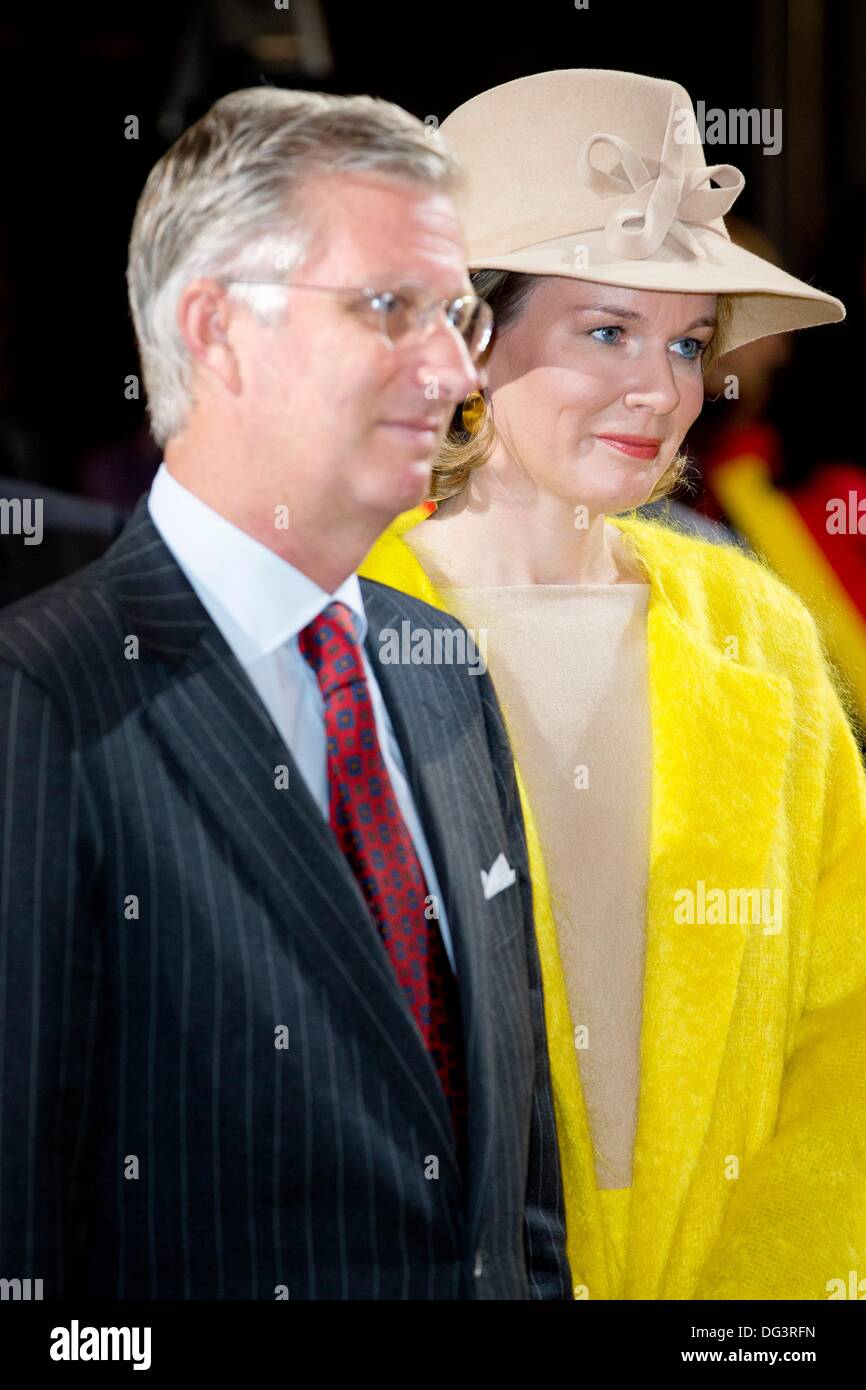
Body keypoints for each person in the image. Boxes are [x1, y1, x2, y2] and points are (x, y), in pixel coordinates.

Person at [0, 86, 571, 1300]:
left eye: (458, 313)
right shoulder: (39, 699)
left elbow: (514, 1192)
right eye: (389, 308)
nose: (457, 369)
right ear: (214, 329)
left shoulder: (443, 670)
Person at [359, 69, 866, 1300]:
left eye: (687, 342)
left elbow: (842, 1025)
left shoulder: (755, 631)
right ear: (466, 338)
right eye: (605, 331)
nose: (661, 389)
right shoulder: (325, 637)